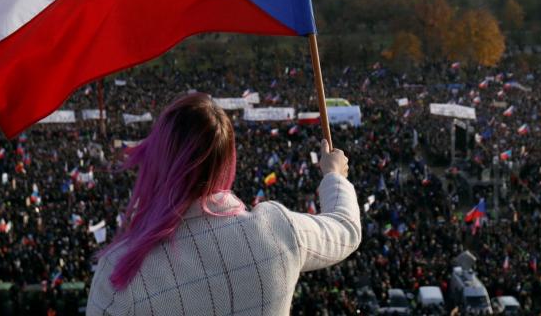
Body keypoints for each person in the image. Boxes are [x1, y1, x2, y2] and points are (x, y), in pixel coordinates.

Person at [86, 92, 361, 315]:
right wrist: (334, 175)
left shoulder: (119, 270)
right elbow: (346, 228)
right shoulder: (278, 231)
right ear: (228, 157)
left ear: (159, 156)